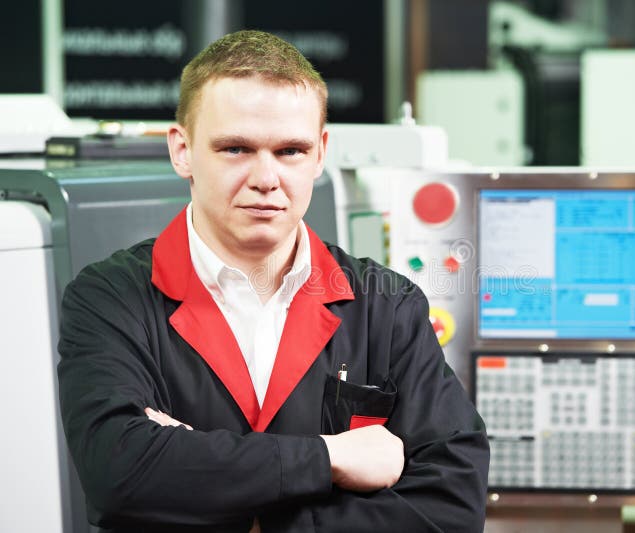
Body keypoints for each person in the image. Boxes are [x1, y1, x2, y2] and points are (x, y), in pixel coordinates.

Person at [58, 30, 489, 532]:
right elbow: (120, 472)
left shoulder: (386, 307)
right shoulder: (111, 299)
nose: (266, 178)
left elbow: (452, 507)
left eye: (290, 151)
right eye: (236, 148)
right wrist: (330, 459)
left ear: (321, 153)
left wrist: (222, 491)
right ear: (182, 151)